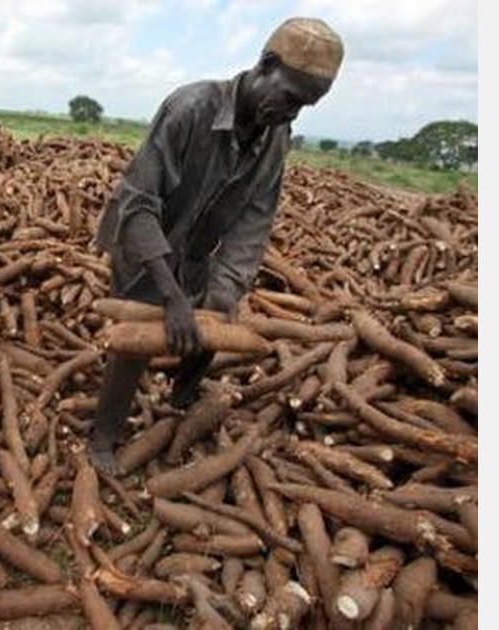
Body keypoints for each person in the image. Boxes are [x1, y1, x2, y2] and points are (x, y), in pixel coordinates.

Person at [88, 17, 344, 474]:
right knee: (136, 344)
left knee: (212, 324)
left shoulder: (276, 137)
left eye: (306, 107)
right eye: (289, 97)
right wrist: (170, 295)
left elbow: (254, 220)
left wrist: (227, 290)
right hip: (144, 243)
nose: (291, 114)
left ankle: (182, 402)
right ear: (266, 65)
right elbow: (138, 202)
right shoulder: (191, 108)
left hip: (196, 252)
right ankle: (103, 437)